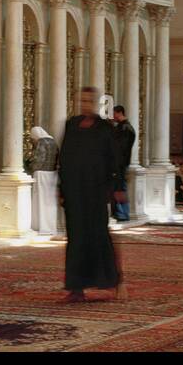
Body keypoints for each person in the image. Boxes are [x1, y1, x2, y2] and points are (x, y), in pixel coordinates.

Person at [58, 87, 121, 303]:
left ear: (96, 103)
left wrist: (113, 189)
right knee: (76, 239)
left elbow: (113, 160)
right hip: (75, 193)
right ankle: (76, 288)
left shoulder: (105, 128)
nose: (84, 104)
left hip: (95, 192)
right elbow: (64, 158)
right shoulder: (72, 125)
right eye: (81, 100)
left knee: (98, 236)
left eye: (88, 100)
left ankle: (110, 281)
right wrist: (63, 189)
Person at [30, 125, 59, 235]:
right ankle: (50, 226)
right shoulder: (53, 141)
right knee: (49, 201)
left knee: (41, 201)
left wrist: (33, 168)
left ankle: (43, 226)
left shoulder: (42, 142)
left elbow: (40, 158)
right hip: (52, 173)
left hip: (41, 173)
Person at [110, 104, 135, 222]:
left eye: (114, 113)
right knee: (119, 187)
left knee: (119, 188)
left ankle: (122, 213)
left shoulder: (125, 129)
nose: (113, 116)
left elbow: (120, 148)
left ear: (119, 113)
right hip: (120, 162)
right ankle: (121, 213)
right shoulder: (124, 127)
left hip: (119, 163)